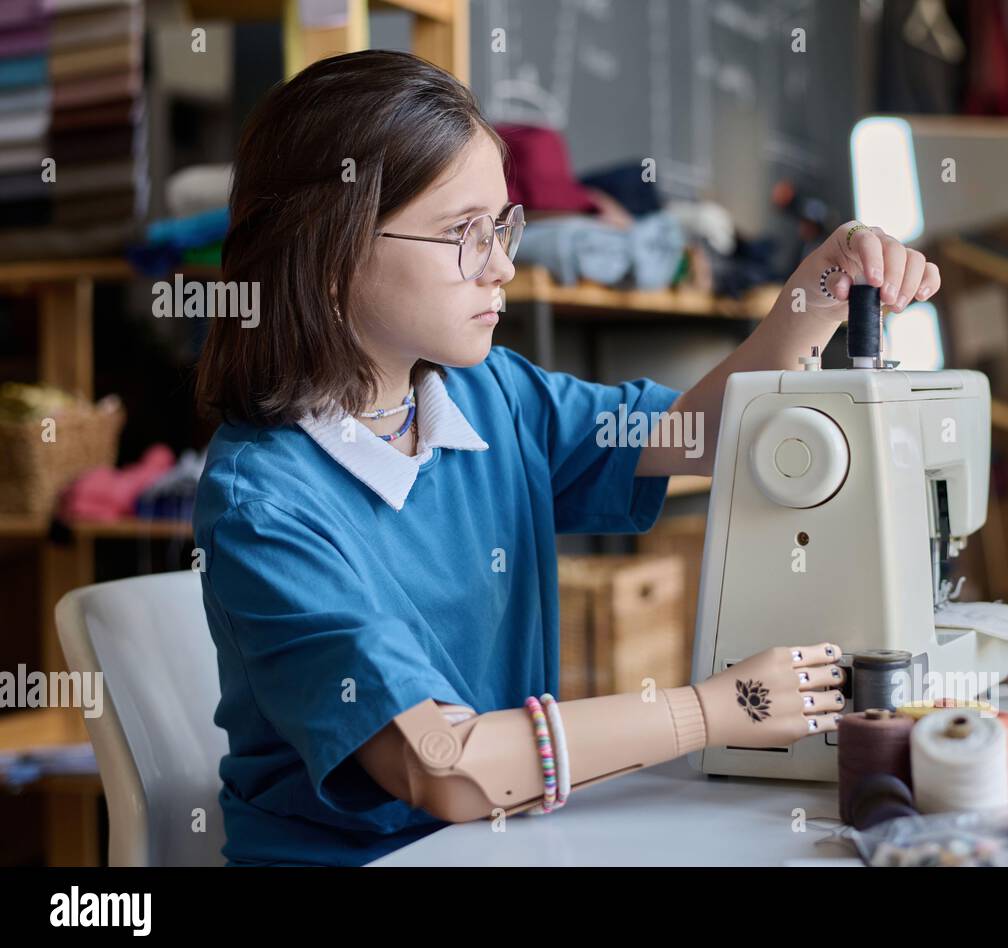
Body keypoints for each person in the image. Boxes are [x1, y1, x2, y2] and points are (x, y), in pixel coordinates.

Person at [194, 50, 942, 866]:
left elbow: (697, 434)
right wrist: (712, 711)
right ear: (330, 255)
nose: (505, 265)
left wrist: (819, 290)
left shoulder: (492, 398)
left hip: (497, 844)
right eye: (462, 234)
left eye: (503, 226)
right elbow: (441, 765)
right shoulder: (263, 503)